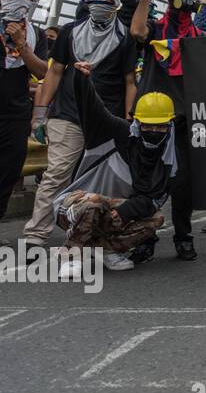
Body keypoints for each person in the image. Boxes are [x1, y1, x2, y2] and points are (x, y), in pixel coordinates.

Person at [25, 0, 136, 250]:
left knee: (103, 176)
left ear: (117, 5)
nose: (100, 4)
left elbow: (130, 81)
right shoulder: (69, 32)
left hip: (105, 118)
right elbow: (54, 72)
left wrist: (128, 120)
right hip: (67, 114)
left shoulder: (125, 37)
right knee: (58, 173)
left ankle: (92, 235)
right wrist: (40, 113)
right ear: (86, 0)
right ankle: (36, 235)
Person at [54, 70, 178, 277]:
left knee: (155, 219)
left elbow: (153, 200)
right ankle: (70, 254)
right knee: (93, 202)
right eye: (148, 125)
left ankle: (107, 249)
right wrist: (82, 79)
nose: (154, 131)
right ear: (137, 122)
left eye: (160, 127)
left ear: (170, 125)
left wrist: (124, 210)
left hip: (112, 209)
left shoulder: (169, 157)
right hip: (76, 204)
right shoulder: (115, 132)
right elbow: (92, 108)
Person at [129, 0, 206, 260]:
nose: (189, 1)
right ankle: (146, 238)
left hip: (186, 118)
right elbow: (136, 30)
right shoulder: (156, 28)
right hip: (153, 119)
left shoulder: (197, 35)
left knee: (183, 183)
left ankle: (183, 236)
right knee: (146, 182)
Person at [0, 0, 48, 219]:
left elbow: (43, 72)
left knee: (8, 172)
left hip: (15, 114)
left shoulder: (35, 34)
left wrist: (21, 45)